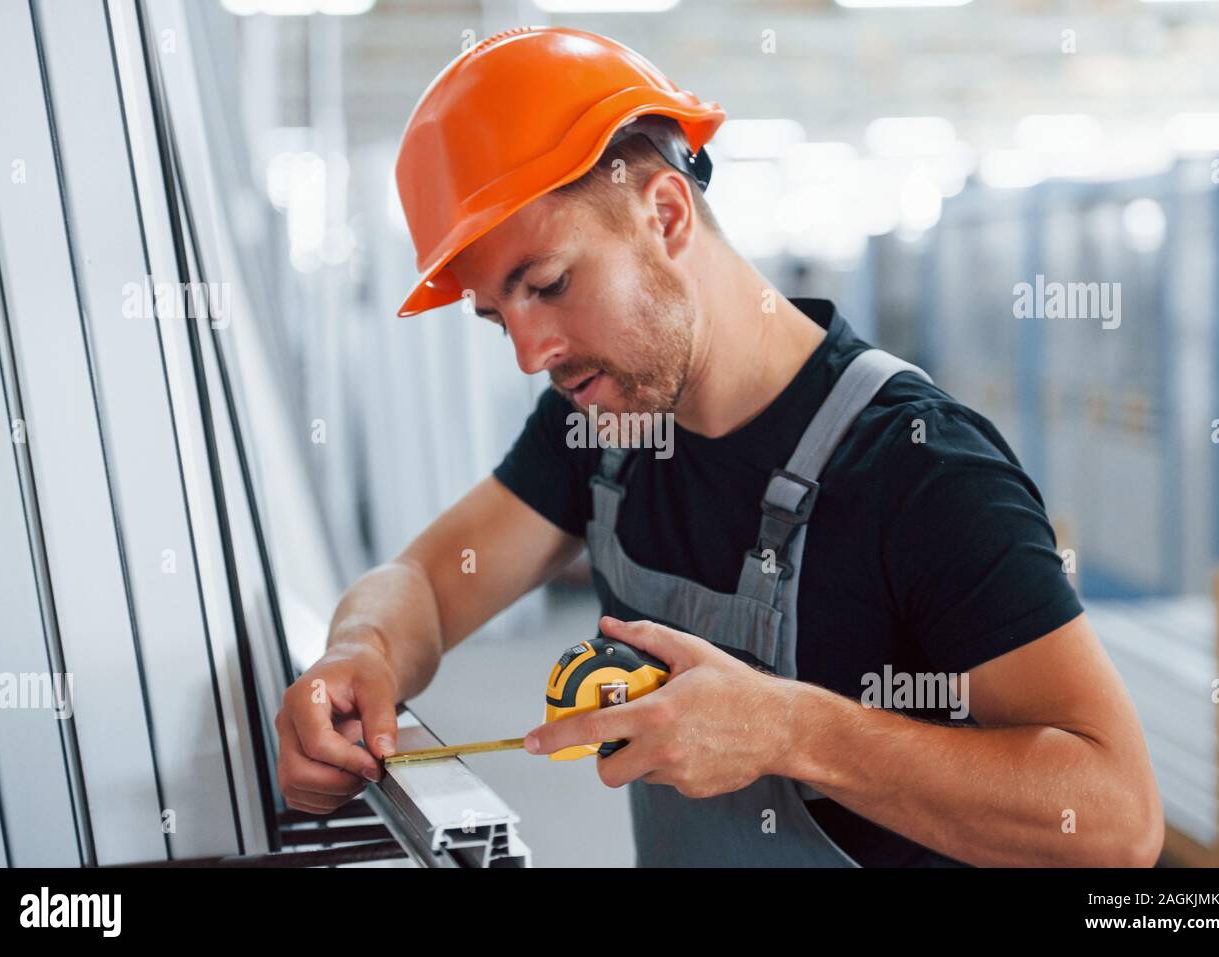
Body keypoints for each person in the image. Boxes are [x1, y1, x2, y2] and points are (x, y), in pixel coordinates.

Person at [274, 26, 1163, 867]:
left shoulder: (922, 467)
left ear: (663, 215)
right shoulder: (604, 425)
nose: (527, 352)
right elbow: (427, 584)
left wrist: (789, 730)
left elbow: (1117, 817)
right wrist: (362, 650)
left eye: (545, 285)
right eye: (498, 316)